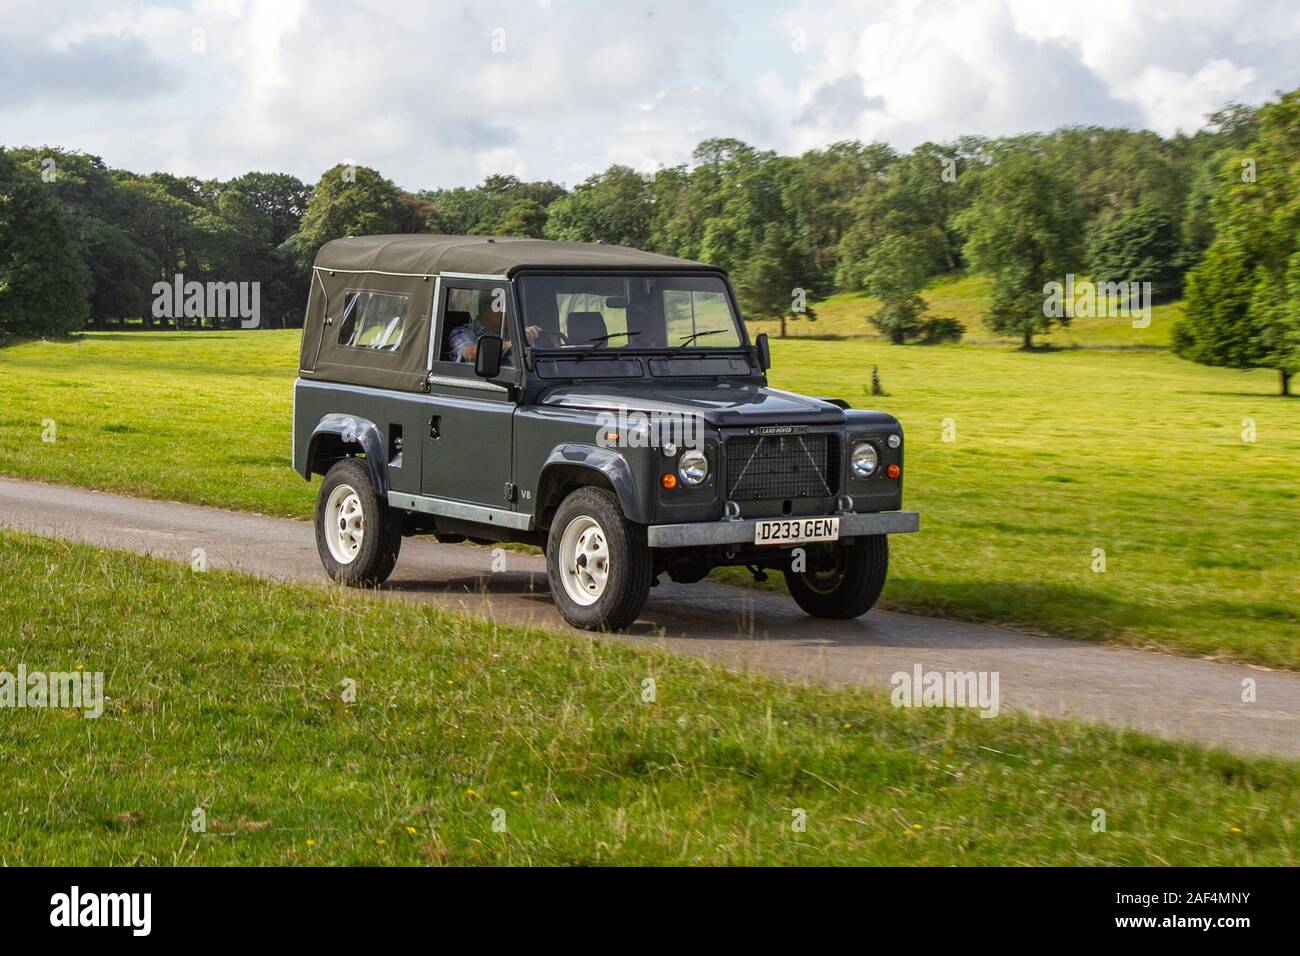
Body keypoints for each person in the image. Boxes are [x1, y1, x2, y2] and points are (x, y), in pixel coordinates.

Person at [449, 295, 540, 363]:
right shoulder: (462, 332)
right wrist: (513, 344)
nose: (510, 313)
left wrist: (528, 339)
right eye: (503, 308)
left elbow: (536, 361)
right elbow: (468, 354)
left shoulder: (514, 333)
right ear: (485, 309)